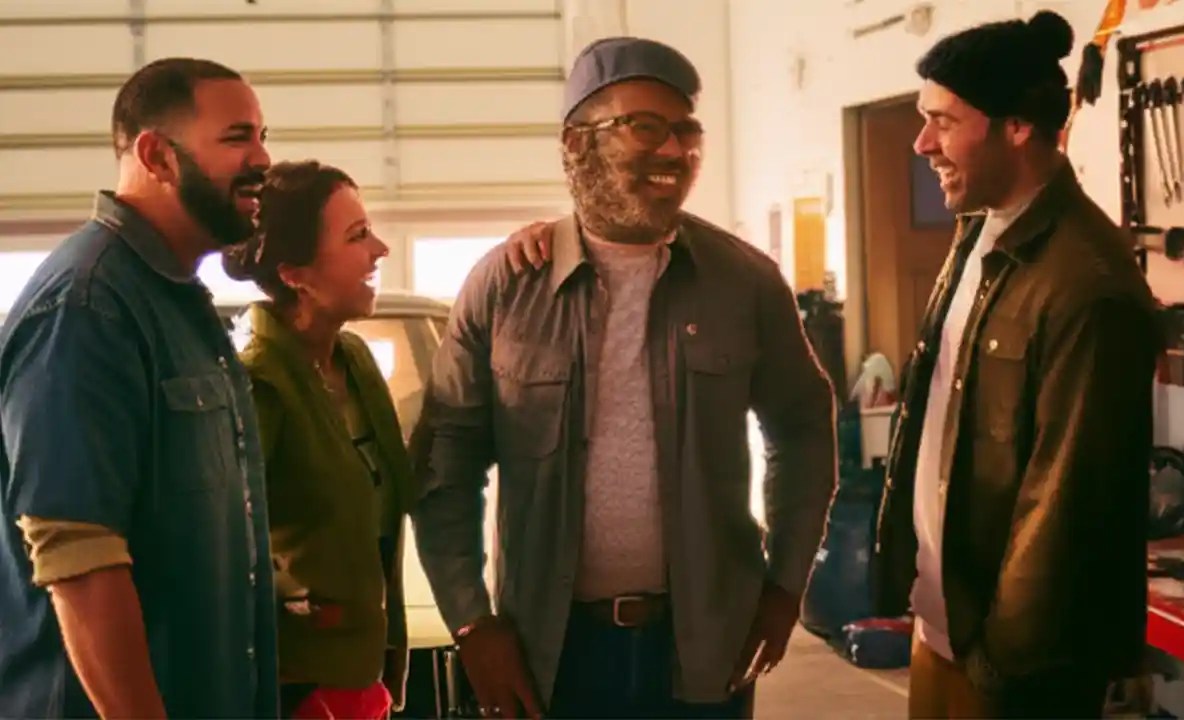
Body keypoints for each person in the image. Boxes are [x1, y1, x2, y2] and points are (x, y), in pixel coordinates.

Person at [412, 36, 837, 719]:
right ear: (576, 143)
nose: (676, 151)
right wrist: (470, 622)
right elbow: (446, 464)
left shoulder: (745, 282)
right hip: (548, 652)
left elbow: (804, 429)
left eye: (688, 132)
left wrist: (786, 587)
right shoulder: (505, 287)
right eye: (646, 127)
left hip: (705, 649)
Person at [870, 11, 1159, 718]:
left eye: (944, 120)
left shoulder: (1090, 286)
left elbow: (1064, 501)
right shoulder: (978, 231)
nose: (921, 142)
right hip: (946, 624)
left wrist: (1003, 663)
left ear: (1018, 127)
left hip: (1016, 664)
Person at [0, 58, 277, 718]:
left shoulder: (179, 303)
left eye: (264, 134)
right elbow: (79, 558)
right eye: (238, 137)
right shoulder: (87, 307)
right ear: (156, 154)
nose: (264, 158)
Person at [221, 159, 416, 719]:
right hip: (296, 688)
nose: (379, 249)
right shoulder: (258, 384)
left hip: (362, 674)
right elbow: (232, 557)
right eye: (357, 236)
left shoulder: (353, 359)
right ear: (295, 274)